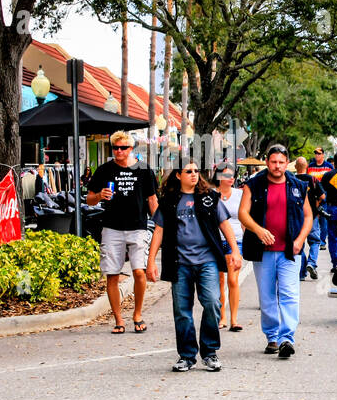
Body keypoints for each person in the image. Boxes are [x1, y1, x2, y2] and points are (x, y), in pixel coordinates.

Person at [146, 163, 242, 372]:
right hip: (179, 262)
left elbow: (225, 224)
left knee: (212, 303)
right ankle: (187, 356)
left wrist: (235, 251)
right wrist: (151, 261)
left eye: (197, 171)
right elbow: (159, 231)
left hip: (207, 260)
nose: (194, 175)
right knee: (182, 310)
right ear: (179, 175)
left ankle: (209, 352)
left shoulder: (209, 198)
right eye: (189, 171)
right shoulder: (169, 201)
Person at [238, 144, 312, 359]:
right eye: (273, 162)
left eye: (281, 162)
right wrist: (258, 230)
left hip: (290, 249)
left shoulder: (298, 185)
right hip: (264, 252)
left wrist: (300, 240)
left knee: (289, 294)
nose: (277, 166)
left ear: (287, 163)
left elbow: (308, 216)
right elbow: (243, 213)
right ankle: (272, 336)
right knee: (268, 296)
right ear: (267, 162)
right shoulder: (254, 184)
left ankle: (287, 337)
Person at [86, 130, 158, 334]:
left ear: (131, 149)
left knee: (139, 272)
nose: (119, 151)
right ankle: (118, 319)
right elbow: (89, 199)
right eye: (115, 148)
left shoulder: (144, 170)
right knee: (112, 274)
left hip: (137, 227)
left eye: (123, 148)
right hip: (112, 228)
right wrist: (100, 195)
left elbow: (152, 201)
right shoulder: (104, 170)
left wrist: (161, 224)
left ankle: (137, 314)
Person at [214, 168, 245, 331]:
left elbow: (244, 217)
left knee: (232, 280)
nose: (231, 178)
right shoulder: (211, 195)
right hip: (216, 241)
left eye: (232, 175)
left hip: (236, 241)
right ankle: (222, 316)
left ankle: (234, 320)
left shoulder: (239, 195)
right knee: (219, 281)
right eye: (226, 175)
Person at [295, 156, 322, 280]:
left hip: (296, 216)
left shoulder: (291, 179)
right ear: (307, 167)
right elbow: (322, 197)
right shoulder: (313, 179)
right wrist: (315, 207)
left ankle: (301, 273)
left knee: (299, 242)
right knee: (315, 241)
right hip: (311, 216)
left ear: (295, 167)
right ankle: (311, 263)